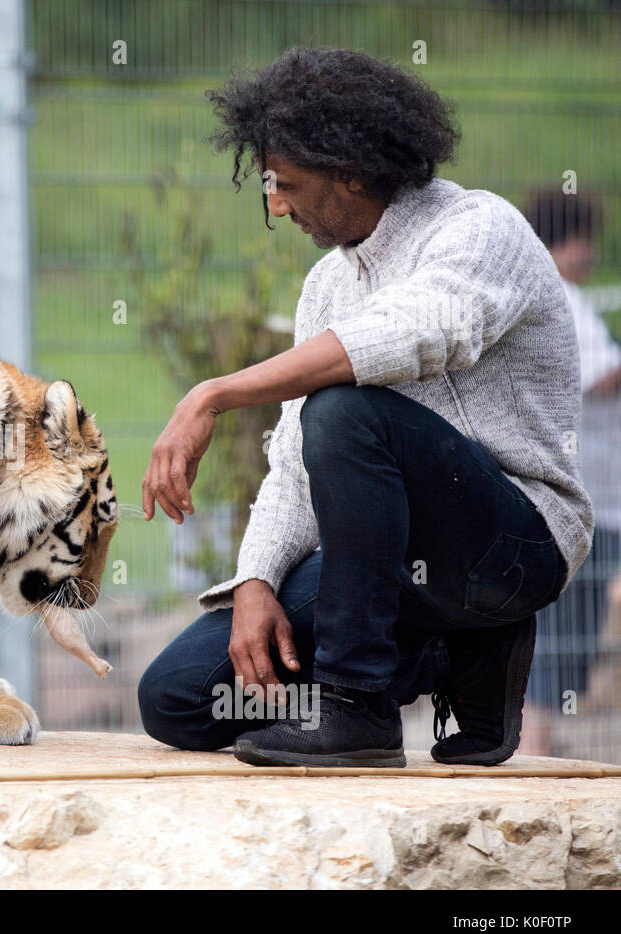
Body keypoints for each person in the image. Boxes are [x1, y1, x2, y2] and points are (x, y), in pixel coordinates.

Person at [136, 47, 593, 768]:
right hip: (385, 565)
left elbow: (415, 334)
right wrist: (255, 581)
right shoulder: (325, 285)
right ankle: (458, 657)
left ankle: (357, 708)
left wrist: (215, 393)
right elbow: (292, 465)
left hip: (511, 544)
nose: (274, 204)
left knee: (347, 412)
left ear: (350, 172)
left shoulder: (480, 230)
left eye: (286, 184)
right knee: (181, 698)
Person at [522, 189, 621, 752]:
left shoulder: (559, 296)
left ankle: (541, 740)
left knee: (566, 630)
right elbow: (602, 374)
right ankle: (534, 746)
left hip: (590, 491)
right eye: (583, 240)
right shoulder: (557, 297)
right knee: (561, 629)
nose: (590, 253)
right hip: (578, 494)